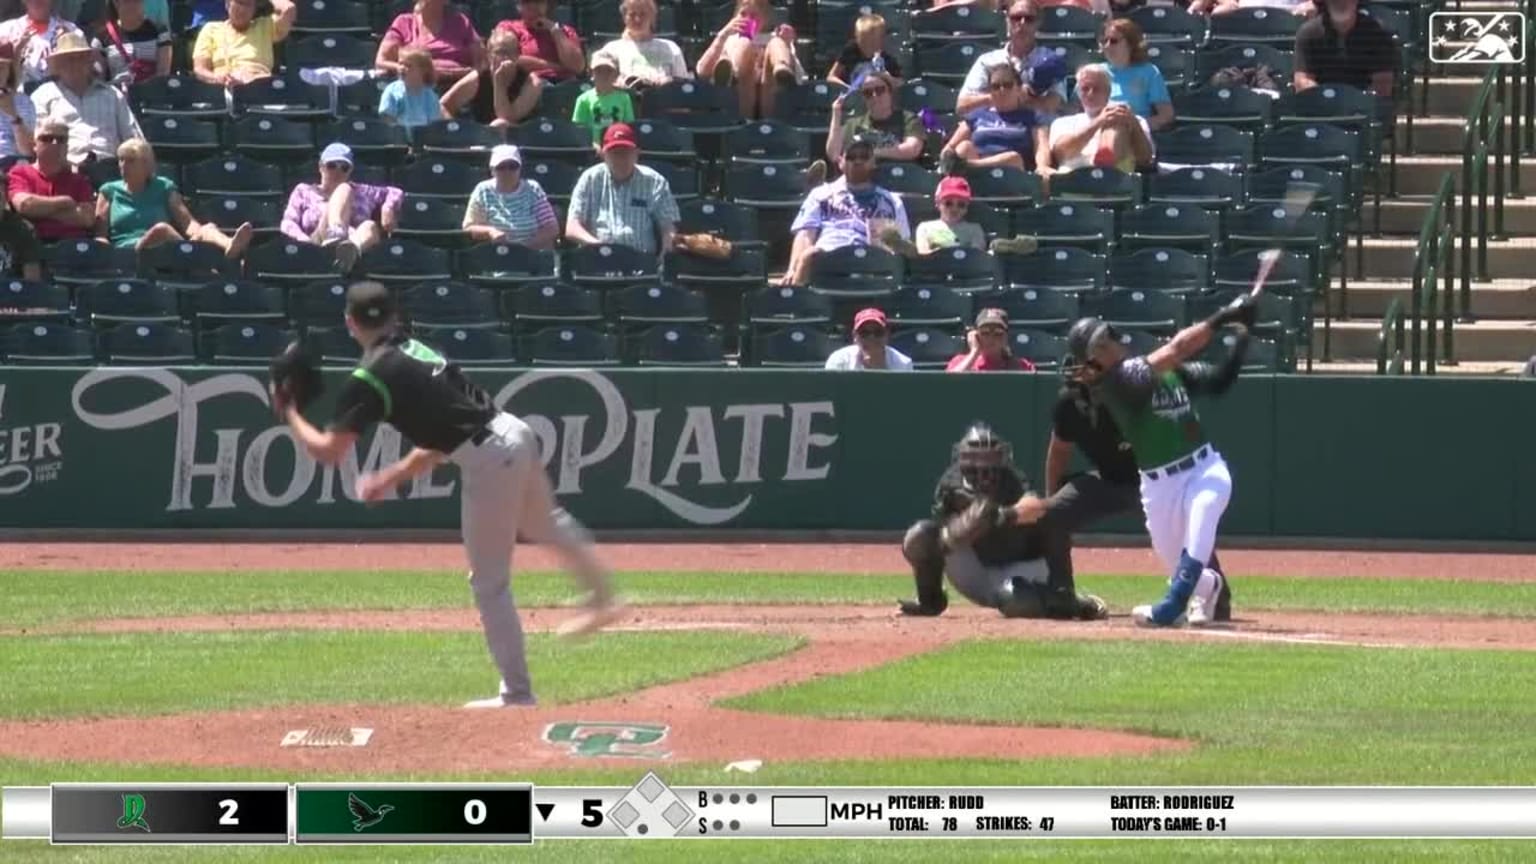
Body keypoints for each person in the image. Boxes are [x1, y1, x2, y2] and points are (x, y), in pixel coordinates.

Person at [272, 281, 623, 709]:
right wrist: (392, 476)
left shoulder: (371, 375)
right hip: (515, 432)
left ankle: (517, 694)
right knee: (546, 523)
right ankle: (603, 595)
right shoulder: (417, 349)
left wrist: (288, 412)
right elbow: (443, 437)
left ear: (349, 323)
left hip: (490, 457)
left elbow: (329, 450)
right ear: (394, 316)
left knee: (489, 582)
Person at [1063, 292, 1257, 627]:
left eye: (1105, 340)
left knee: (1203, 513)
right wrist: (1224, 316)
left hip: (1204, 468)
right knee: (1175, 558)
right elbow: (1179, 348)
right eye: (1099, 345)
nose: (1108, 344)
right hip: (1158, 485)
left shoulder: (1164, 372)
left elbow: (1217, 378)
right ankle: (1209, 587)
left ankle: (1173, 604)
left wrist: (1241, 338)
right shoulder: (1117, 383)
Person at [1042, 335, 1233, 624]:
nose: (1085, 376)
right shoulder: (1070, 403)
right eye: (1080, 370)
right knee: (1052, 514)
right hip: (1106, 481)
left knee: (1192, 522)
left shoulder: (1131, 386)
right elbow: (1059, 450)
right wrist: (1051, 494)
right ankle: (1061, 594)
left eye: (1091, 368)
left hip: (1154, 481)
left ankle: (1213, 593)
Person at [897, 422, 1109, 620]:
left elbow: (1035, 505)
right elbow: (953, 529)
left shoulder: (1011, 480)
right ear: (962, 463)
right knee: (919, 536)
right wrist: (965, 527)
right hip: (976, 570)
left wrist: (1004, 516)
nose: (983, 471)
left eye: (989, 463)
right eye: (975, 464)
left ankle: (1067, 599)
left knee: (1017, 599)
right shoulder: (951, 483)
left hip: (1020, 570)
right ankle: (929, 601)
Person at [781, 132, 910, 287]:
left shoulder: (892, 201)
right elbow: (805, 235)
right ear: (840, 161)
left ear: (873, 162)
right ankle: (797, 297)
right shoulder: (821, 194)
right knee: (810, 254)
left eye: (864, 157)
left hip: (873, 263)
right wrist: (792, 269)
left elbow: (901, 246)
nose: (858, 161)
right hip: (829, 258)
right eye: (851, 157)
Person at [95, 138, 253, 257]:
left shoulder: (163, 187)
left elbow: (188, 223)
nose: (123, 165)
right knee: (162, 229)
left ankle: (229, 245)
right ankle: (192, 258)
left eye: (130, 161)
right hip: (128, 252)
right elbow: (100, 236)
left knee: (208, 228)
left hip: (164, 249)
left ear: (146, 165)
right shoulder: (109, 190)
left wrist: (199, 234)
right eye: (121, 160)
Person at [280, 142, 403, 274]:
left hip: (353, 242)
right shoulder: (304, 191)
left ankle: (350, 251)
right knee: (344, 188)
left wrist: (388, 208)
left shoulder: (362, 191)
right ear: (321, 167)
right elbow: (288, 223)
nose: (337, 172)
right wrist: (305, 242)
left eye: (344, 168)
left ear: (350, 170)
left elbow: (395, 192)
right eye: (332, 166)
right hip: (319, 242)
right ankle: (336, 233)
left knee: (370, 226)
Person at [29, 31, 144, 165]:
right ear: (58, 65)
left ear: (90, 62)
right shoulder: (43, 95)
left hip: (110, 168)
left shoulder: (112, 95)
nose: (76, 64)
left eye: (81, 58)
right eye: (70, 59)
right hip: (64, 170)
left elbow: (134, 138)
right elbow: (36, 141)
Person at [565, 122, 679, 257]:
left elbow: (668, 225)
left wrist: (665, 253)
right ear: (604, 154)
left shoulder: (655, 181)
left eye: (626, 153)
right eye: (615, 153)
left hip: (641, 260)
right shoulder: (590, 178)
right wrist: (599, 247)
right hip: (598, 258)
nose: (620, 159)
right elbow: (572, 228)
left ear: (637, 153)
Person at [942, 63, 1054, 179]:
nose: (1001, 90)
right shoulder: (978, 115)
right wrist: (945, 162)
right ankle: (962, 173)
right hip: (977, 177)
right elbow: (950, 147)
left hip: (1013, 174)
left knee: (1013, 158)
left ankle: (968, 166)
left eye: (1007, 85)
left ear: (1019, 89)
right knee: (964, 147)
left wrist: (1042, 166)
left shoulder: (1032, 116)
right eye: (995, 86)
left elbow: (1041, 146)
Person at [956, 0, 1067, 116]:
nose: (1022, 23)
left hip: (1035, 127)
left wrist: (1015, 100)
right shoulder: (987, 61)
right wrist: (1002, 96)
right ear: (1007, 21)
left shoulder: (1051, 61)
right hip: (992, 126)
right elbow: (962, 106)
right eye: (1016, 18)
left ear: (1038, 23)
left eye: (1029, 19)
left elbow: (1052, 105)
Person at [695, 0, 800, 118]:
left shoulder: (778, 37)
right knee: (744, 43)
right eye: (743, 14)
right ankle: (732, 72)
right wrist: (722, 35)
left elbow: (798, 76)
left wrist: (787, 44)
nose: (748, 19)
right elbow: (702, 72)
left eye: (753, 15)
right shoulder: (731, 39)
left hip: (770, 98)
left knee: (776, 44)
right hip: (740, 99)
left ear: (765, 17)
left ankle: (780, 66)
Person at [1048, 64, 1155, 174]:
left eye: (1097, 89)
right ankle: (1101, 168)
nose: (1090, 93)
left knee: (1117, 120)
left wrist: (1134, 124)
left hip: (1118, 183)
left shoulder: (1133, 119)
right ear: (1078, 92)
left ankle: (1104, 164)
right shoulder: (1063, 122)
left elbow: (1145, 159)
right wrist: (1099, 122)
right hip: (1073, 179)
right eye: (1085, 89)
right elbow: (1061, 154)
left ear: (1108, 92)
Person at [6, 118, 95, 242]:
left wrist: (38, 214)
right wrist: (66, 202)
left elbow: (87, 218)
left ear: (67, 146)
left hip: (73, 247)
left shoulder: (78, 180)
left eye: (61, 140)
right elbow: (25, 205)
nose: (54, 143)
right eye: (46, 139)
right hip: (34, 247)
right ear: (34, 145)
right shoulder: (20, 173)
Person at [1294, 0, 1395, 99]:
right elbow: (1303, 80)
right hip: (1321, 107)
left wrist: (1356, 103)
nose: (1341, 3)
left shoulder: (1377, 33)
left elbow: (1382, 82)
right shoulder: (1308, 33)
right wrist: (1327, 100)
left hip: (1364, 109)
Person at [463, 144, 558, 249]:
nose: (507, 172)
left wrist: (524, 248)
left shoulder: (533, 188)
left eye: (513, 166)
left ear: (520, 168)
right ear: (492, 170)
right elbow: (469, 227)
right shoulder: (483, 190)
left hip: (533, 251)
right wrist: (490, 231)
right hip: (496, 252)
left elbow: (551, 228)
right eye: (501, 167)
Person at [439, 31, 541, 127]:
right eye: (500, 52)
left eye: (512, 52)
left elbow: (506, 118)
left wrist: (499, 83)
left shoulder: (531, 82)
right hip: (480, 138)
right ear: (489, 55)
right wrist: (454, 127)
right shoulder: (478, 78)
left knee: (500, 124)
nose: (506, 57)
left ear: (518, 55)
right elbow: (443, 105)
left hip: (519, 137)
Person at [825, 70, 923, 166]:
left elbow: (912, 149)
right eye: (868, 93)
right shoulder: (853, 124)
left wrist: (873, 153)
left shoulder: (908, 119)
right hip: (862, 180)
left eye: (880, 90)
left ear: (890, 93)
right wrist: (836, 113)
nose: (874, 96)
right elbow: (834, 155)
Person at [191, 0, 296, 88]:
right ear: (227, 4)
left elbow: (288, 9)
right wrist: (217, 78)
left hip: (260, 86)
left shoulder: (265, 26)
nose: (243, 9)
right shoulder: (211, 29)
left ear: (254, 9)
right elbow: (200, 69)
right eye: (239, 3)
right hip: (222, 88)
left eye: (248, 4)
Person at [376, 0, 483, 83]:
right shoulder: (404, 22)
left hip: (459, 83)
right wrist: (410, 70)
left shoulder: (461, 22)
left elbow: (482, 62)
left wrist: (467, 74)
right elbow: (381, 62)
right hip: (418, 86)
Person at [1099, 19, 1173, 131]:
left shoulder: (1149, 72)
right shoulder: (1094, 72)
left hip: (1135, 135)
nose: (1107, 46)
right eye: (1105, 41)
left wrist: (1138, 126)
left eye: (1114, 41)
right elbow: (1073, 109)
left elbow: (1166, 115)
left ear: (1130, 44)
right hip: (1099, 131)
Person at [598, 0, 689, 89]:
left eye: (643, 14)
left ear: (652, 17)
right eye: (632, 14)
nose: (637, 19)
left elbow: (682, 86)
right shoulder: (610, 50)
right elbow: (602, 86)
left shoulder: (671, 48)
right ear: (624, 18)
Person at [493, 0, 584, 82]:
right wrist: (555, 67)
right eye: (526, 2)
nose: (532, 6)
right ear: (519, 6)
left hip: (565, 85)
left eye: (538, 1)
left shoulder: (565, 31)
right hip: (528, 85)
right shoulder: (508, 27)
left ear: (547, 4)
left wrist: (555, 30)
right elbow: (504, 58)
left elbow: (577, 66)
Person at [0, 0, 82, 87]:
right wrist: (16, 52)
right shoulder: (5, 30)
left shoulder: (72, 31)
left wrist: (67, 47)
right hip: (16, 96)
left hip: (58, 95)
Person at [91, 0, 172, 88]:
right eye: (128, 1)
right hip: (116, 96)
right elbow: (98, 79)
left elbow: (163, 72)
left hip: (151, 94)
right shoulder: (101, 37)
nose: (133, 4)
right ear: (116, 3)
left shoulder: (160, 32)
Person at [826, 12, 903, 90]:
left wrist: (886, 77)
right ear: (857, 39)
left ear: (881, 40)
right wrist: (848, 89)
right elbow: (831, 77)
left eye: (873, 42)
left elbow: (900, 83)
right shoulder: (851, 51)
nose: (868, 47)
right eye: (864, 42)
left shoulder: (886, 58)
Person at [570, 49, 632, 144]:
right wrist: (593, 144)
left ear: (617, 74)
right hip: (591, 147)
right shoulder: (583, 99)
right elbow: (579, 130)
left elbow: (628, 126)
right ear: (591, 73)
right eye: (599, 71)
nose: (604, 75)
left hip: (617, 144)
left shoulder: (624, 98)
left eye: (608, 71)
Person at [824, 307, 914, 371]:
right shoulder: (839, 359)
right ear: (855, 336)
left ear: (887, 335)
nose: (871, 337)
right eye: (864, 333)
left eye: (878, 332)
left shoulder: (903, 364)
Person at [948, 307, 1036, 371]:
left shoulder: (1023, 366)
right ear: (975, 335)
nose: (991, 338)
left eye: (998, 333)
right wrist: (974, 352)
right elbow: (948, 385)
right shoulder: (960, 361)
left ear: (1005, 337)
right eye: (985, 332)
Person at [378, 47, 440, 138]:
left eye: (408, 65)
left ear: (423, 70)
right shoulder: (392, 90)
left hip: (423, 138)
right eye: (400, 64)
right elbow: (387, 117)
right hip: (398, 138)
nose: (402, 68)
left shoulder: (430, 95)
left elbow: (433, 122)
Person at [0, 46, 36, 162]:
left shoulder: (24, 102)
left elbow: (28, 152)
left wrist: (13, 115)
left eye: (1, 68)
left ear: (9, 71)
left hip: (14, 167)